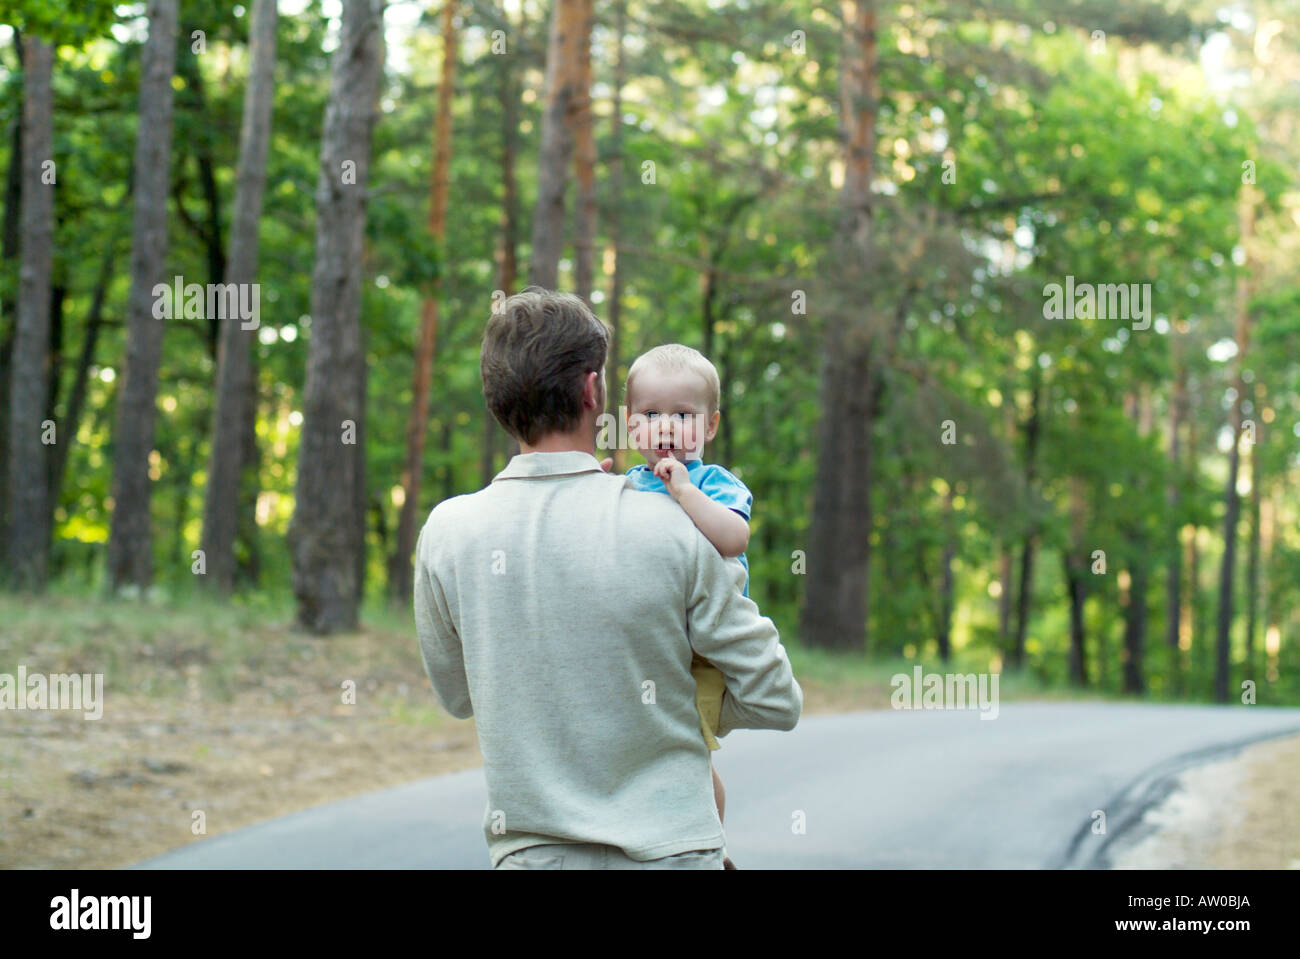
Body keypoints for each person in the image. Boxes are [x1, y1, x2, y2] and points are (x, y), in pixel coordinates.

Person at [413, 288, 802, 870]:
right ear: (595, 391)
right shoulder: (676, 525)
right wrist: (675, 699)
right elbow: (776, 698)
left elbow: (460, 695)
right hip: (672, 851)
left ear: (495, 400)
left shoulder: (447, 532)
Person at [622, 343, 752, 866]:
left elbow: (733, 539)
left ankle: (709, 847)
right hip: (648, 643)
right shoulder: (626, 486)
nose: (668, 427)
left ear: (710, 424)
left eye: (684, 414)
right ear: (632, 426)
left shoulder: (715, 484)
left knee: (687, 755)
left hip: (700, 651)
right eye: (652, 414)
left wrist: (685, 495)